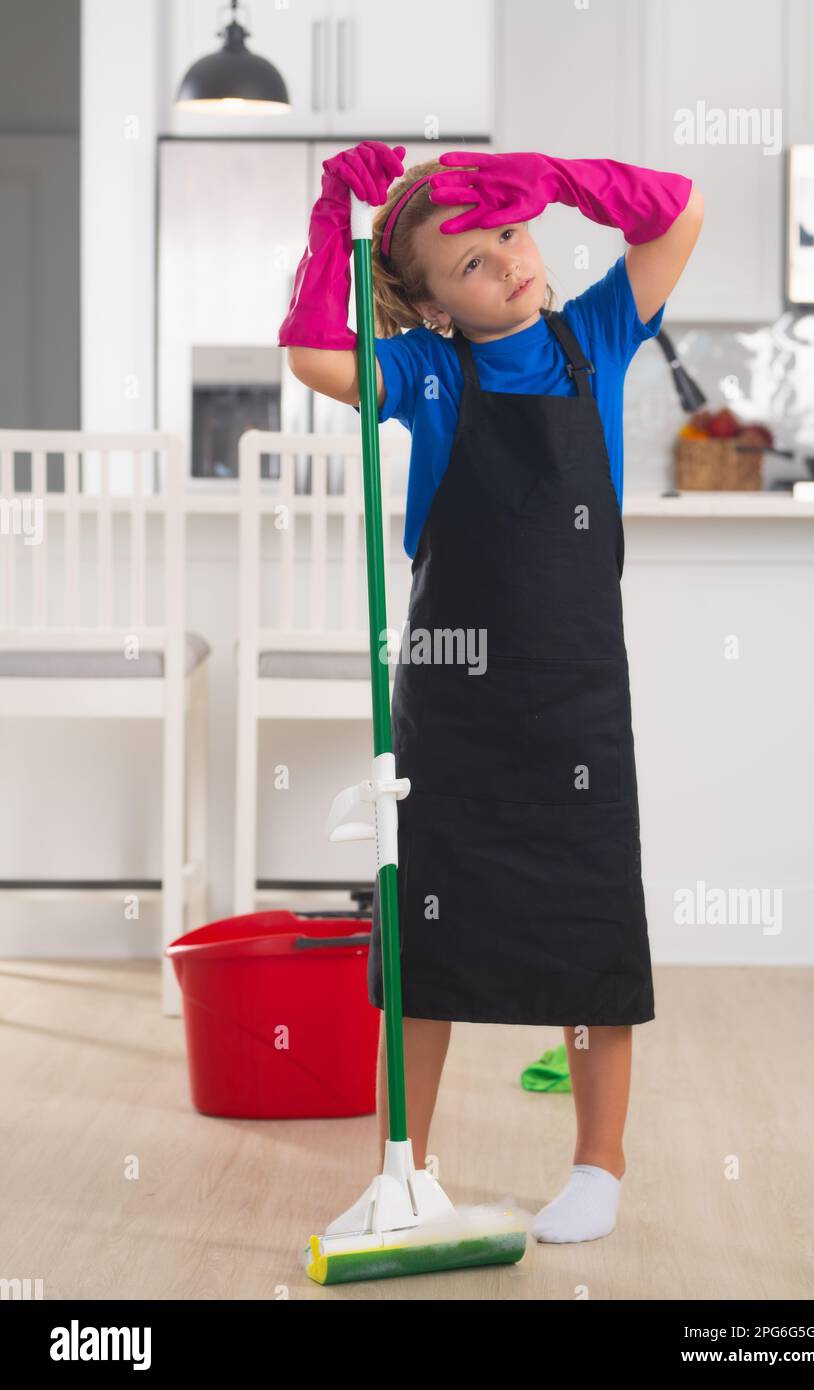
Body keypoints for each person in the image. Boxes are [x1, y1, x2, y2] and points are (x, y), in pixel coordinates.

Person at [280, 141, 702, 1243]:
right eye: (471, 261)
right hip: (453, 712)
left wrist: (550, 175)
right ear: (424, 303)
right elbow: (317, 358)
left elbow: (678, 214)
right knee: (428, 949)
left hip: (574, 703)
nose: (509, 263)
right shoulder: (429, 372)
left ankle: (597, 1165)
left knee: (589, 936)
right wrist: (335, 217)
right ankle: (403, 1170)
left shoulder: (596, 335)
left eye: (511, 233)